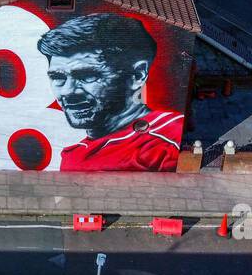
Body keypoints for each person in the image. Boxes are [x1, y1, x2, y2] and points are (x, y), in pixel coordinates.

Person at [37, 13, 183, 172]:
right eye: (58, 77)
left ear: (137, 75)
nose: (67, 91)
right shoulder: (74, 154)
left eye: (87, 76)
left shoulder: (169, 141)